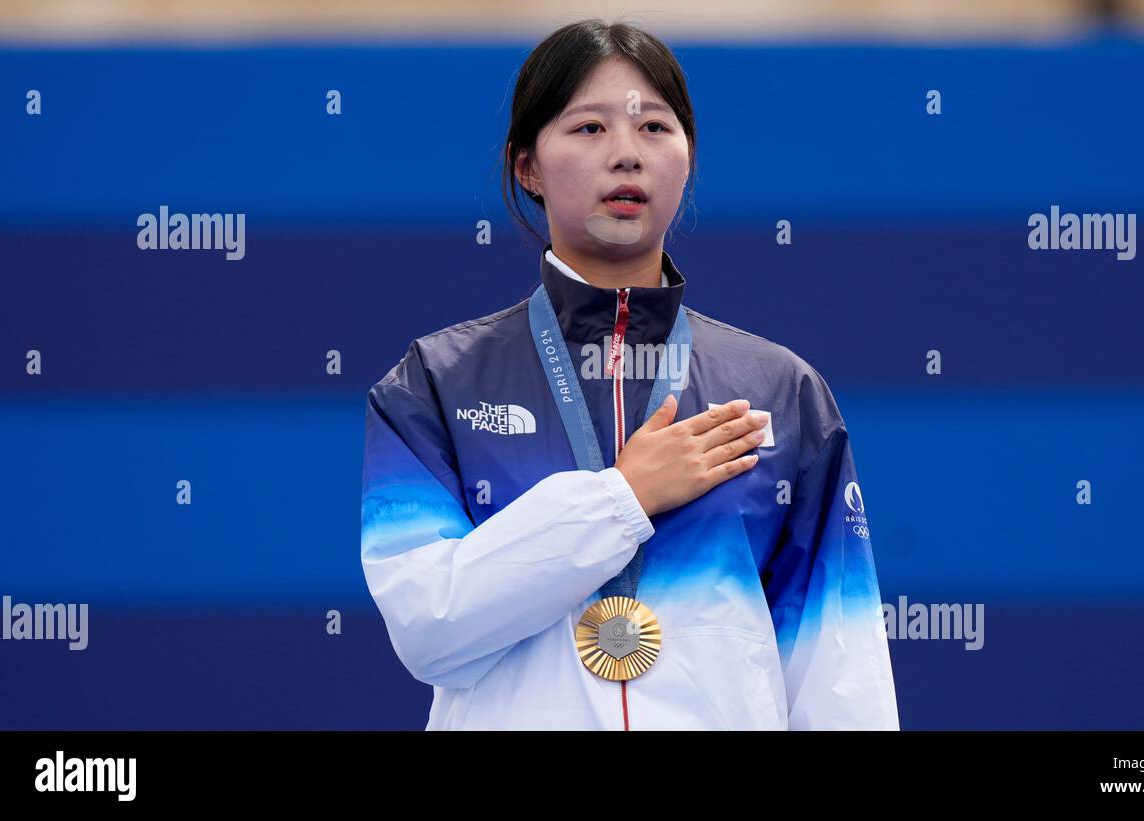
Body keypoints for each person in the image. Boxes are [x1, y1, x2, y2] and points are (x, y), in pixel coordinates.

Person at [360, 18, 899, 730]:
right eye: (588, 129)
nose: (626, 155)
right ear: (527, 165)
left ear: (688, 158)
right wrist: (622, 497)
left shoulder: (782, 391)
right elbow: (429, 627)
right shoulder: (433, 382)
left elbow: (840, 675)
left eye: (654, 129)